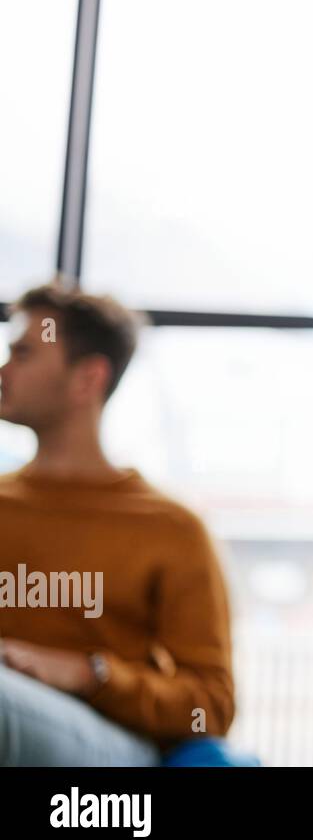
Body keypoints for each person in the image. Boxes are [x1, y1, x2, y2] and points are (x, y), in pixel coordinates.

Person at [0, 280, 235, 765]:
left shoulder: (171, 527)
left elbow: (210, 706)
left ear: (88, 378)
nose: (3, 370)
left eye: (23, 354)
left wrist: (90, 674)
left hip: (112, 743)